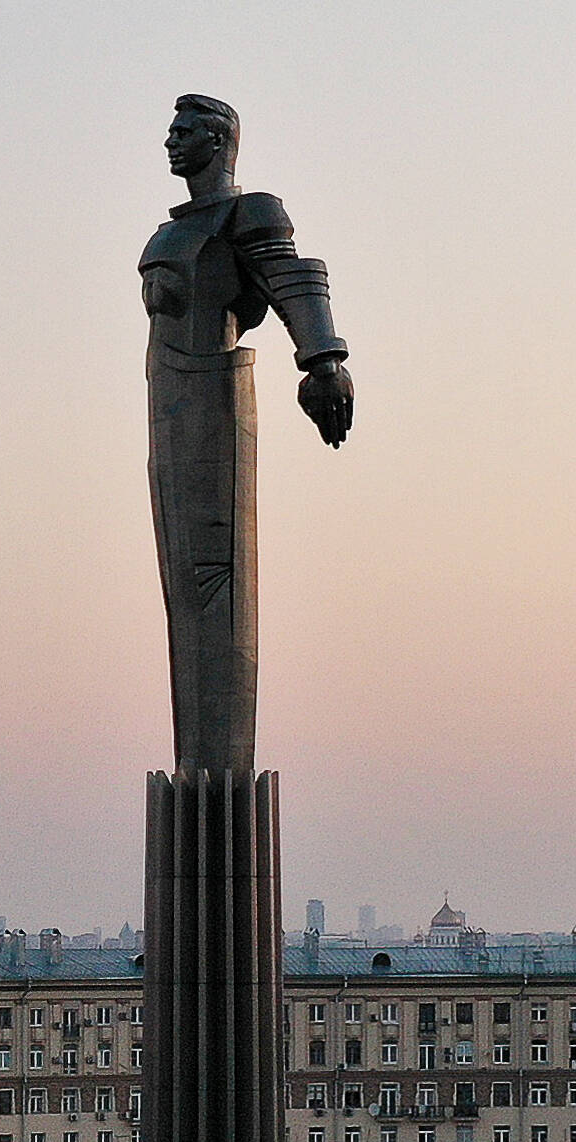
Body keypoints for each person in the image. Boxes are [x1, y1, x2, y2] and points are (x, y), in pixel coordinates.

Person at [141, 94, 353, 771]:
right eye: (169, 130)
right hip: (167, 407)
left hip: (212, 403)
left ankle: (217, 775)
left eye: (183, 131)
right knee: (184, 588)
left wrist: (324, 361)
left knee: (214, 577)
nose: (169, 142)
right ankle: (197, 769)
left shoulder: (247, 210)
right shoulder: (169, 231)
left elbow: (290, 274)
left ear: (218, 138)